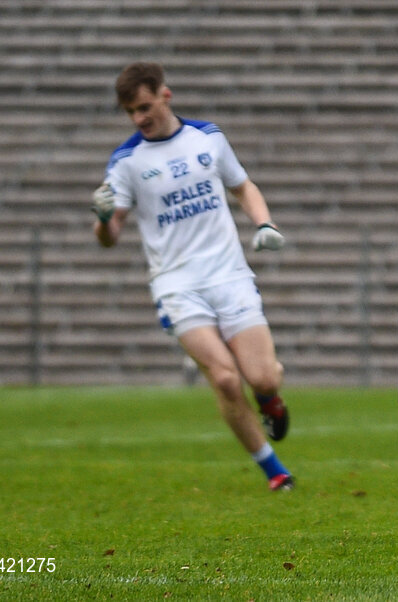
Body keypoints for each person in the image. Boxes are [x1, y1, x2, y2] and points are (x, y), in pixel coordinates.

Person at [91, 62, 294, 492]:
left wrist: (265, 225)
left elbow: (243, 186)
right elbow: (110, 237)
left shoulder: (208, 137)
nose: (139, 118)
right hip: (176, 285)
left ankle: (271, 401)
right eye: (130, 112)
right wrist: (103, 217)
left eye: (144, 107)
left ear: (166, 95)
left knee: (261, 378)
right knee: (223, 378)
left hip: (229, 274)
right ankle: (275, 471)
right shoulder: (126, 162)